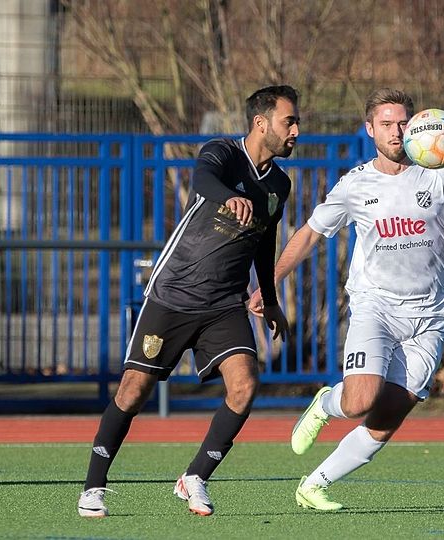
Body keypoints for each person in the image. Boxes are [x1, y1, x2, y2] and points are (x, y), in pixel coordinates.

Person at [249, 88, 444, 510]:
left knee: (387, 417)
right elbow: (309, 234)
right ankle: (326, 403)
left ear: (415, 126)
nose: (396, 132)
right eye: (386, 124)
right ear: (370, 130)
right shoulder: (355, 184)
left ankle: (314, 485)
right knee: (359, 401)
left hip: (430, 316)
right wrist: (269, 282)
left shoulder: (442, 174)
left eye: (403, 123)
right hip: (376, 307)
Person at [77, 84, 300, 518]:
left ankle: (195, 477)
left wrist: (270, 299)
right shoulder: (223, 152)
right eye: (288, 122)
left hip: (224, 303)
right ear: (261, 123)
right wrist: (229, 195)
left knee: (245, 386)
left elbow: (264, 240)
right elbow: (202, 180)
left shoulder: (279, 183)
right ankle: (93, 487)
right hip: (174, 293)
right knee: (133, 391)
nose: (295, 131)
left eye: (296, 123)